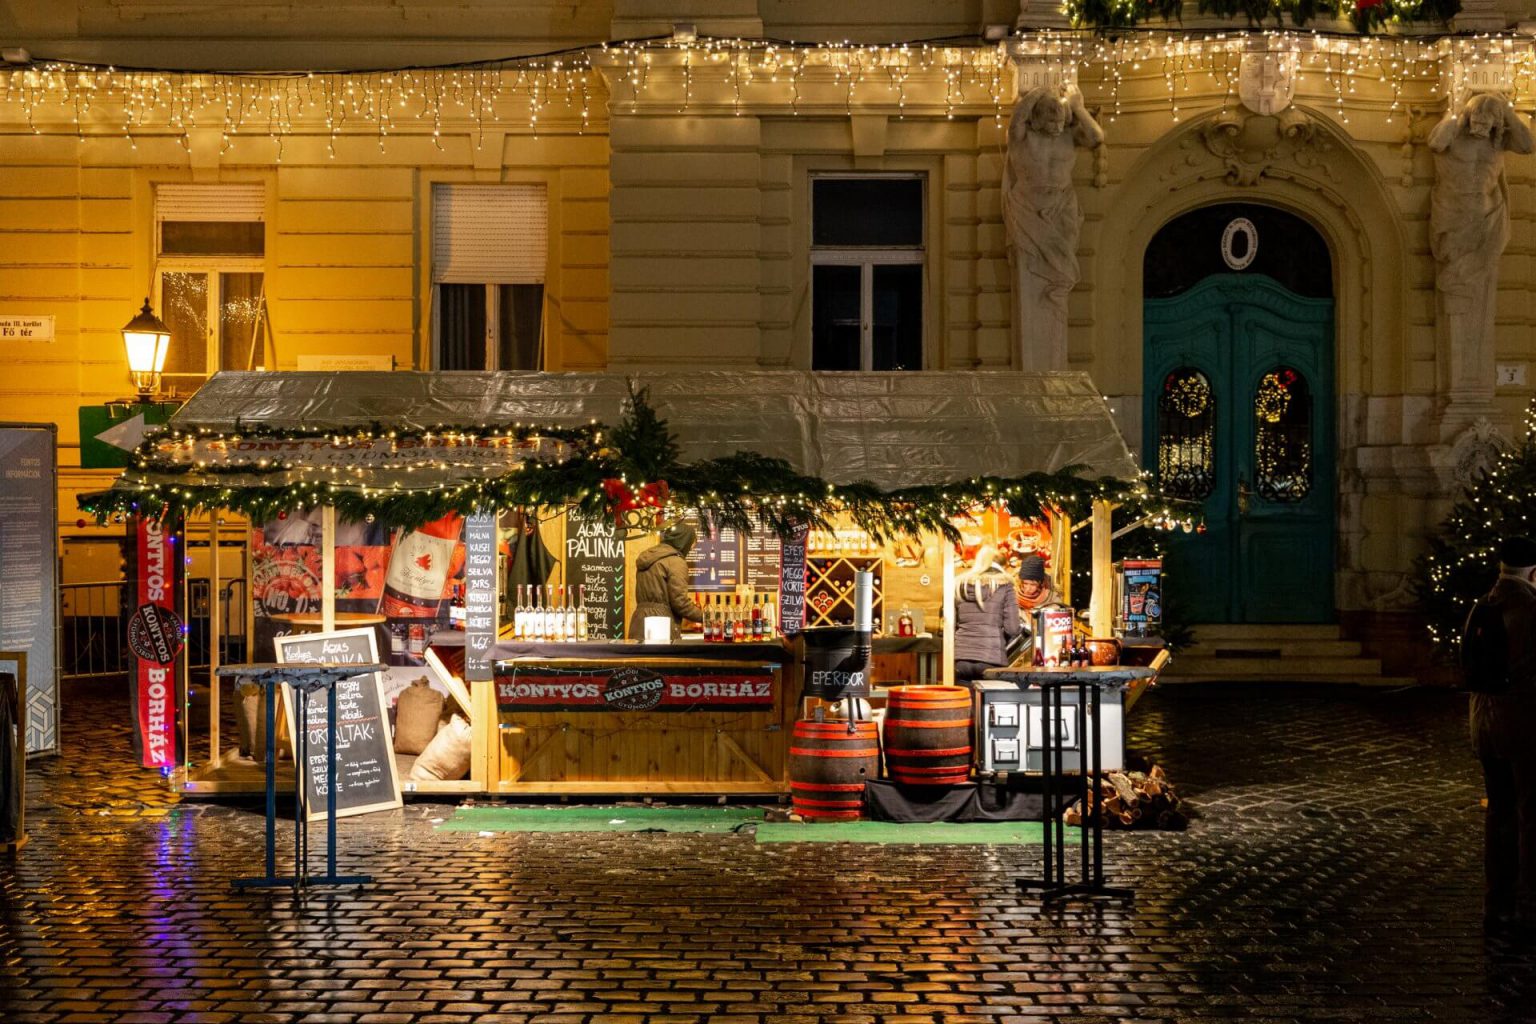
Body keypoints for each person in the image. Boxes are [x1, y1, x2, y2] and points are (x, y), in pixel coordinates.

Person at [1429, 93, 1533, 400]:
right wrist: (1459, 110)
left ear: (1497, 123)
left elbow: (1528, 145)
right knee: (1455, 288)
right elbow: (1436, 142)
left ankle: (1473, 386)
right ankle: (1462, 386)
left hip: (1487, 218)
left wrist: (1507, 111)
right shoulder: (1452, 134)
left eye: (1488, 120)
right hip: (1454, 217)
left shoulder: (1498, 143)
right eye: (1476, 118)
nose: (1480, 124)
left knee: (1479, 292)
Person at [1003, 84, 1104, 371]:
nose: (1057, 127)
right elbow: (1016, 121)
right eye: (1051, 120)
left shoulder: (1069, 136)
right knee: (1032, 275)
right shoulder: (1022, 138)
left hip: (1062, 208)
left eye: (1061, 120)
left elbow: (1097, 137)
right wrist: (1035, 92)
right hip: (1028, 208)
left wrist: (1078, 106)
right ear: (1036, 118)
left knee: (1063, 271)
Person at [1466, 535, 1536, 935]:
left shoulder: (1482, 604)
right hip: (1524, 725)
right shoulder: (1531, 608)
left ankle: (1497, 901)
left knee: (1500, 812)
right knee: (1531, 814)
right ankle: (1527, 904)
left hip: (1485, 724)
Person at [953, 546, 1023, 685]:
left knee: (965, 704)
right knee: (989, 704)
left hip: (961, 659)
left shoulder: (960, 584)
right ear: (1003, 565)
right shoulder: (1005, 585)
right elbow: (1013, 629)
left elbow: (950, 624)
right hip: (991, 659)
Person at [628, 521, 705, 641]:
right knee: (663, 660)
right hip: (660, 626)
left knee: (640, 660)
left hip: (639, 623)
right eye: (692, 544)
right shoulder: (675, 561)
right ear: (684, 541)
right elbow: (680, 603)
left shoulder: (647, 557)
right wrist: (707, 617)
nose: (691, 548)